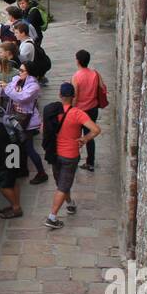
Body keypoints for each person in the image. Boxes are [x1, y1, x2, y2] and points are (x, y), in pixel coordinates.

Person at [44, 83, 100, 229]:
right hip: (70, 155)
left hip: (55, 153)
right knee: (63, 185)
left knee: (61, 183)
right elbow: (95, 129)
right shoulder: (77, 113)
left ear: (60, 95)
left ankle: (69, 204)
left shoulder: (52, 111)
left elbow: (43, 128)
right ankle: (52, 217)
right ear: (73, 97)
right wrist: (84, 139)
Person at [0, 63, 49, 185]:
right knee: (19, 145)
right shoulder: (17, 80)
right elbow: (9, 94)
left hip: (27, 121)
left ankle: (42, 173)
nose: (18, 72)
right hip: (16, 118)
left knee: (29, 148)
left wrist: (7, 88)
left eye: (21, 70)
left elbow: (21, 98)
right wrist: (0, 86)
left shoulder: (34, 87)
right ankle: (22, 170)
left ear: (29, 72)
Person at [70, 50, 108, 172]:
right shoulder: (95, 73)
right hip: (93, 109)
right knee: (90, 135)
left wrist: (72, 109)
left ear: (78, 61)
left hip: (80, 111)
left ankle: (75, 159)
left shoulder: (76, 76)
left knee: (76, 135)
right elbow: (103, 88)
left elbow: (75, 96)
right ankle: (90, 162)